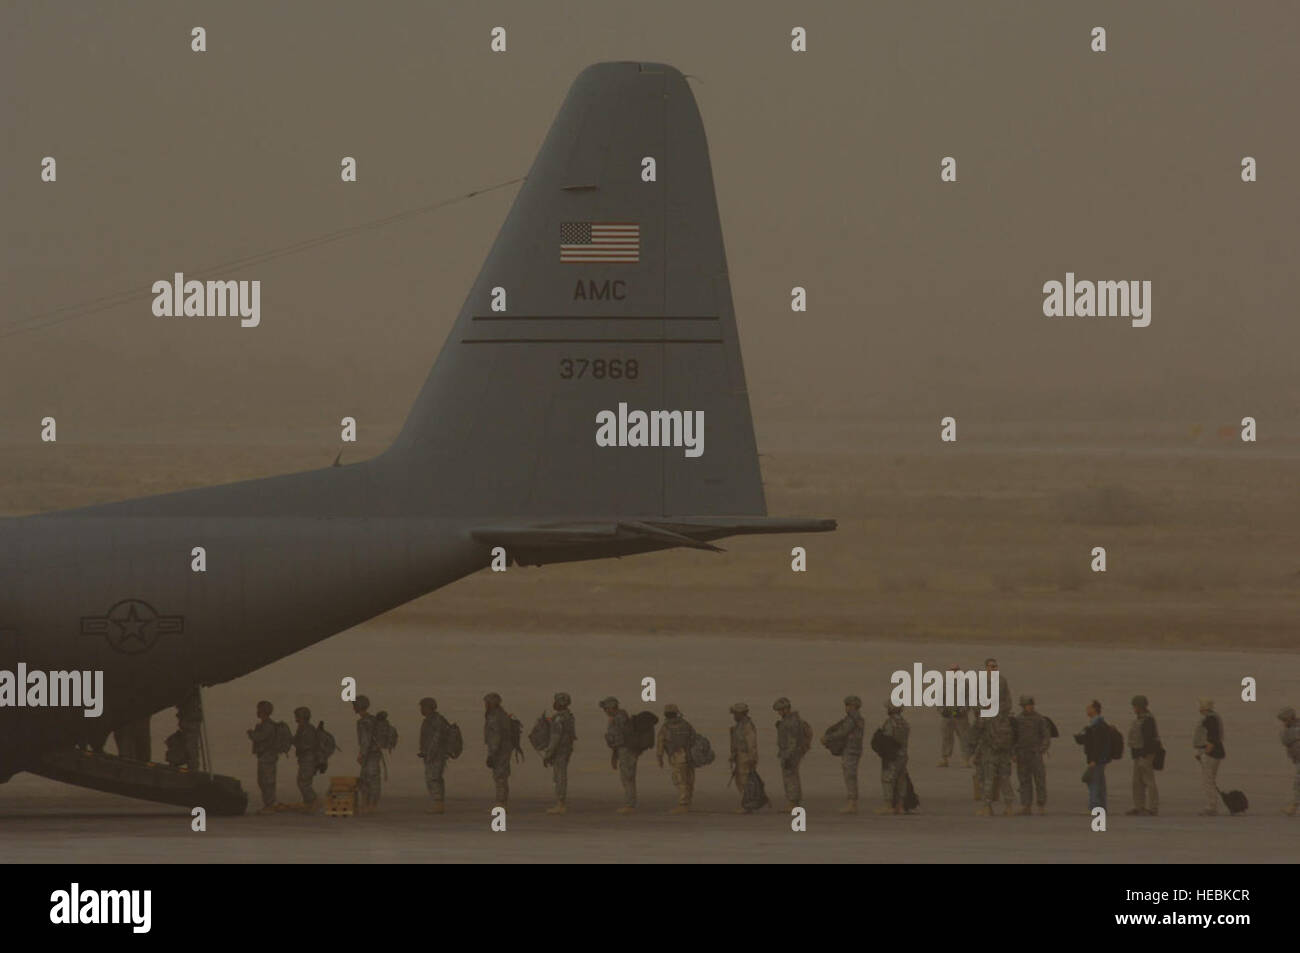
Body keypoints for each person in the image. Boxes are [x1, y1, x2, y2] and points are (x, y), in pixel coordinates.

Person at [972, 707, 1015, 816]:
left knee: (988, 780)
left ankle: (987, 807)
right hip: (1004, 755)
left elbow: (977, 736)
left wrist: (975, 755)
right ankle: (1009, 807)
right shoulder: (1005, 718)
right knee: (1005, 780)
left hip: (989, 755)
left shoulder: (984, 718)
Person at [1012, 695, 1050, 815]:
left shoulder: (1040, 719)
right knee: (1024, 781)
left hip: (1035, 754)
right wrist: (1013, 753)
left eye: (1031, 705)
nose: (1030, 707)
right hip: (1022, 754)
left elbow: (1046, 736)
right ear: (1023, 706)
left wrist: (1042, 749)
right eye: (1027, 705)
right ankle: (1026, 805)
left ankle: (1041, 805)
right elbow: (1013, 738)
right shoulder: (1017, 720)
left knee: (1040, 780)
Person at [656, 703, 696, 814]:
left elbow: (660, 743)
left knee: (680, 780)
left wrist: (659, 757)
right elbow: (694, 738)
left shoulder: (666, 727)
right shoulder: (686, 725)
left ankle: (683, 804)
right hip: (689, 756)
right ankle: (687, 802)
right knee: (689, 780)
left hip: (677, 757)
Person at [1126, 695, 1161, 816]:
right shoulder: (1140, 719)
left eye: (1134, 706)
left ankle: (1152, 808)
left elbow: (1149, 740)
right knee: (1137, 782)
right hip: (1138, 754)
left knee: (1148, 781)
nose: (1133, 708)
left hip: (1145, 755)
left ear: (1139, 706)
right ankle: (1139, 806)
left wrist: (1144, 755)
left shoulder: (1148, 720)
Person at [543, 692, 577, 815]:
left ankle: (560, 804)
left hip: (559, 751)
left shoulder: (559, 718)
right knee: (560, 775)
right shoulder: (568, 716)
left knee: (560, 776)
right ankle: (560, 803)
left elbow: (555, 738)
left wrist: (548, 754)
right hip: (566, 749)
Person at [1074, 700, 1109, 813]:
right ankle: (1102, 807)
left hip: (1096, 760)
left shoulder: (1097, 725)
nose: (1087, 710)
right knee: (1100, 783)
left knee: (1093, 783)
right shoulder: (1097, 725)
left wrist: (1093, 760)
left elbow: (1098, 744)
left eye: (1089, 708)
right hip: (1100, 759)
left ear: (1094, 709)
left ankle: (1095, 807)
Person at [876, 699, 911, 814]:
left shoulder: (890, 723)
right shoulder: (905, 723)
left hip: (892, 756)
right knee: (901, 780)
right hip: (903, 755)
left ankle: (888, 805)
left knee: (887, 779)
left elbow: (887, 740)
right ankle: (900, 806)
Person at [417, 696, 451, 814]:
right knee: (435, 778)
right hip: (433, 754)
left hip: (436, 755)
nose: (421, 709)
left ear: (428, 707)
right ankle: (438, 803)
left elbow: (436, 739)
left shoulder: (435, 720)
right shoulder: (431, 719)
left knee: (433, 778)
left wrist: (429, 753)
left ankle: (438, 804)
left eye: (423, 707)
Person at [1193, 698, 1225, 816]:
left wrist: (1205, 752)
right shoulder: (1213, 717)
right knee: (1210, 779)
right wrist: (1200, 753)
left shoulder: (1210, 719)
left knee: (1208, 780)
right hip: (1213, 752)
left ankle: (1212, 806)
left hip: (1212, 754)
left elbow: (1212, 738)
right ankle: (1212, 805)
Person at [246, 700, 280, 814]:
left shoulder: (268, 726)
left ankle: (270, 805)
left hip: (268, 757)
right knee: (263, 781)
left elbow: (260, 737)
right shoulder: (264, 725)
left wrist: (251, 733)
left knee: (267, 781)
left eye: (259, 709)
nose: (257, 712)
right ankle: (268, 804)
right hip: (264, 756)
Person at [773, 697, 806, 810]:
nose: (779, 712)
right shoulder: (789, 720)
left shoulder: (791, 722)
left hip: (790, 754)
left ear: (786, 709)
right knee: (791, 776)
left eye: (781, 710)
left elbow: (793, 741)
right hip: (790, 753)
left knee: (790, 777)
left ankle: (793, 803)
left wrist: (787, 756)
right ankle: (793, 802)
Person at [937, 664, 971, 767]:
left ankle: (966, 759)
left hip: (961, 716)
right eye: (952, 670)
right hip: (947, 716)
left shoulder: (965, 684)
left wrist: (963, 710)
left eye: (956, 670)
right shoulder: (944, 684)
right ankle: (945, 758)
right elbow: (939, 700)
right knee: (946, 738)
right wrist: (942, 710)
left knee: (965, 738)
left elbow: (969, 700)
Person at [728, 702, 759, 814]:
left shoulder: (747, 726)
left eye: (736, 714)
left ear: (741, 714)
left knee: (745, 781)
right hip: (740, 756)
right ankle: (746, 804)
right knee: (740, 781)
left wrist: (752, 758)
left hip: (746, 757)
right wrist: (733, 755)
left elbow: (751, 744)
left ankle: (746, 805)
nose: (734, 716)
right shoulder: (739, 726)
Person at [484, 692, 513, 807]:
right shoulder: (502, 714)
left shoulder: (495, 717)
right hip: (504, 750)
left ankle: (501, 803)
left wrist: (491, 754)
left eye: (487, 703)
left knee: (500, 777)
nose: (485, 705)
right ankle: (501, 802)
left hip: (499, 752)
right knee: (502, 776)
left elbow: (496, 736)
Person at [837, 696, 865, 813]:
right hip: (854, 750)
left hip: (850, 750)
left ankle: (852, 804)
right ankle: (852, 803)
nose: (846, 708)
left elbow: (843, 732)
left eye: (848, 705)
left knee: (850, 776)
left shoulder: (852, 719)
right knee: (850, 775)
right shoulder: (858, 718)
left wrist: (827, 738)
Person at [354, 695, 382, 810]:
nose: (353, 707)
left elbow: (365, 741)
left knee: (370, 779)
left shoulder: (363, 722)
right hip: (374, 754)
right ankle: (369, 804)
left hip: (370, 755)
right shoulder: (373, 719)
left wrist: (362, 754)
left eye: (355, 705)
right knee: (369, 779)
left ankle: (370, 805)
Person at [291, 705, 320, 812]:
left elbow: (309, 745)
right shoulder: (302, 728)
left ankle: (312, 802)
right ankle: (309, 802)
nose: (296, 718)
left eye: (297, 716)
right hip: (304, 759)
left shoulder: (308, 729)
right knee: (302, 781)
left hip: (308, 759)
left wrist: (298, 744)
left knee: (304, 782)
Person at [1278, 707, 1299, 816]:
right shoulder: (1291, 728)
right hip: (1297, 759)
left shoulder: (1294, 729)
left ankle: (1293, 807)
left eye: (1285, 720)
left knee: (1298, 783)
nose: (1284, 722)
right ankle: (1293, 807)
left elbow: (1285, 740)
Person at [177, 689, 203, 772]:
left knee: (191, 744)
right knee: (191, 743)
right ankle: (192, 766)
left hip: (190, 718)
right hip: (190, 717)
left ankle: (192, 767)